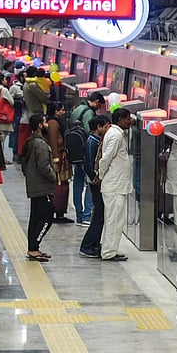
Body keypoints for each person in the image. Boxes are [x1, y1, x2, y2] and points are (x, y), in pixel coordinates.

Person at [97, 107, 134, 261]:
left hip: (117, 184)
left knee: (115, 219)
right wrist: (101, 174)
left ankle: (110, 249)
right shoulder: (116, 136)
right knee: (113, 219)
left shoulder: (115, 134)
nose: (130, 121)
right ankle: (108, 252)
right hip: (114, 185)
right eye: (128, 118)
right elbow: (105, 158)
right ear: (120, 119)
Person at [21, 113, 57, 262]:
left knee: (35, 218)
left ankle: (33, 248)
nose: (47, 124)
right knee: (47, 218)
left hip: (34, 186)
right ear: (40, 126)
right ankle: (34, 247)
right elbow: (44, 166)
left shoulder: (30, 142)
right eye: (45, 122)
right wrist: (54, 177)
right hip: (43, 188)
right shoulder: (41, 144)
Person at [68, 92, 104, 226]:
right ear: (95, 101)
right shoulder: (89, 113)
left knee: (77, 185)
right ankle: (86, 215)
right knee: (90, 184)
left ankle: (78, 215)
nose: (99, 107)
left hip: (76, 153)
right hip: (86, 153)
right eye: (99, 104)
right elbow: (91, 132)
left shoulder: (77, 109)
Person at [79, 116, 110, 259]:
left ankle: (94, 244)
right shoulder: (92, 142)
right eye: (105, 127)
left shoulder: (96, 141)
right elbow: (90, 164)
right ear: (98, 127)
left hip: (96, 183)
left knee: (100, 215)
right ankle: (87, 245)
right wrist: (95, 179)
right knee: (98, 215)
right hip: (95, 184)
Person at [45, 102, 74, 223]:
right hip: (59, 159)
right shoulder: (53, 123)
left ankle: (60, 210)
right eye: (61, 110)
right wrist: (56, 159)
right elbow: (53, 141)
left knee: (63, 184)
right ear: (56, 111)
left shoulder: (54, 122)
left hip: (61, 157)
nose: (63, 112)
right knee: (60, 184)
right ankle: (57, 210)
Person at [0, 75, 16, 152]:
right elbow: (12, 102)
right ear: (1, 81)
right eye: (5, 79)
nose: (6, 81)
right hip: (4, 115)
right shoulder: (4, 90)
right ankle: (1, 158)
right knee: (2, 137)